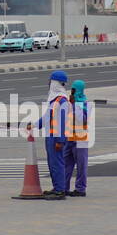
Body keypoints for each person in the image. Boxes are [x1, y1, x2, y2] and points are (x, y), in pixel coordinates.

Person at [39, 70, 70, 199]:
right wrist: (34, 125)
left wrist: (60, 140)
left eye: (50, 81)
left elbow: (63, 122)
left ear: (55, 83)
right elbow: (47, 117)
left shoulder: (62, 101)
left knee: (57, 163)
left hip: (57, 137)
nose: (48, 84)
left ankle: (60, 191)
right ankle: (56, 187)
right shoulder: (53, 100)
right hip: (50, 136)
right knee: (52, 163)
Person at [64, 80, 92, 197]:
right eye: (72, 89)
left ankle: (80, 189)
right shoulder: (69, 104)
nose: (72, 91)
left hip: (81, 138)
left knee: (81, 164)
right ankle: (63, 187)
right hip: (69, 138)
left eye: (74, 89)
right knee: (66, 164)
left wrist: (75, 105)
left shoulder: (86, 104)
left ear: (79, 90)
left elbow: (83, 119)